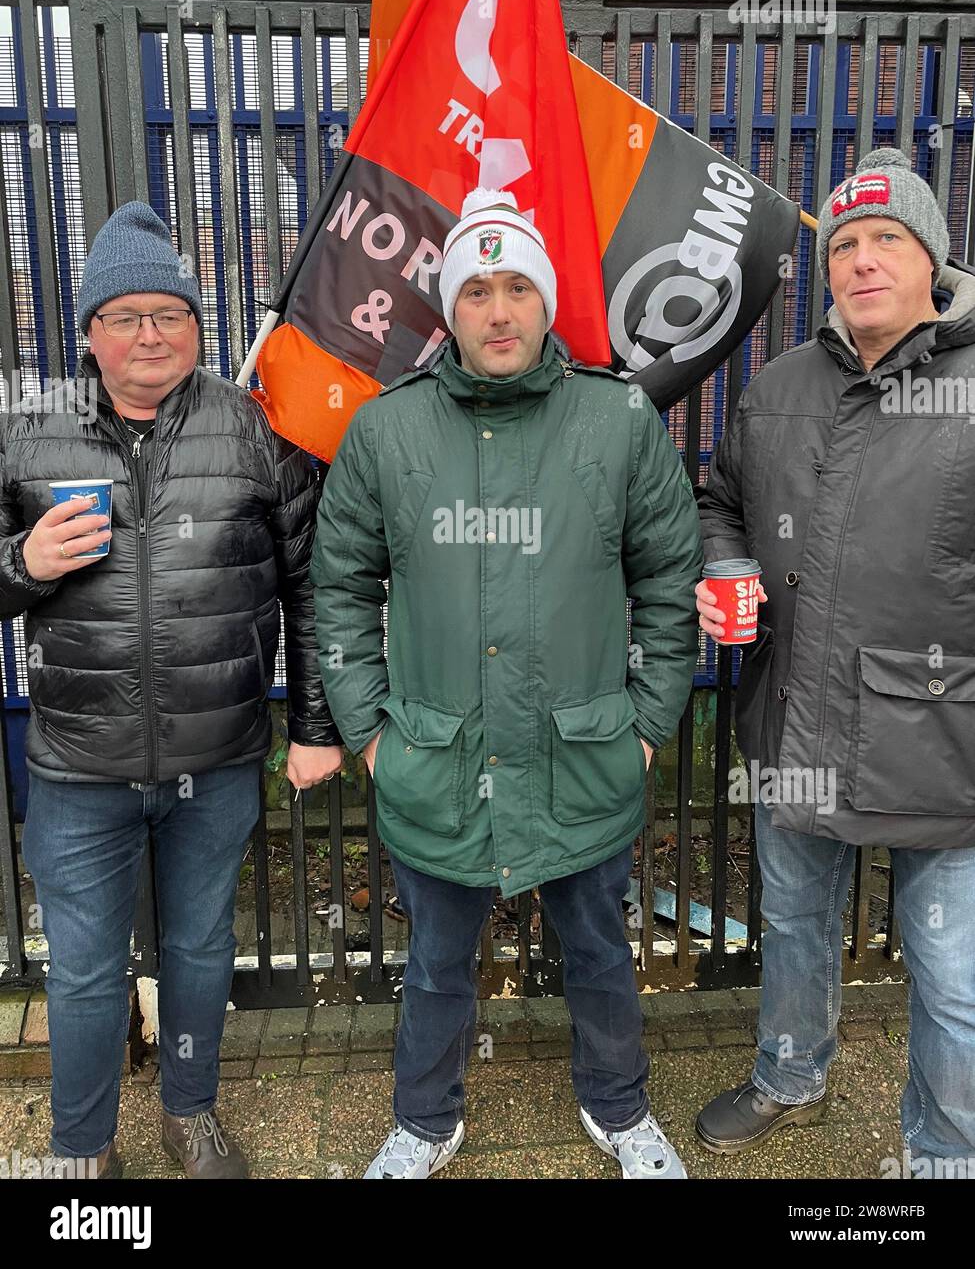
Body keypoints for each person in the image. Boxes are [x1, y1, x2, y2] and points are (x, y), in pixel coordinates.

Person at [311, 187, 703, 1179]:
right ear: (448, 307)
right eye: (476, 287)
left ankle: (618, 1108)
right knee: (437, 963)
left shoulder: (616, 420)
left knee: (601, 954)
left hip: (585, 759)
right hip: (434, 762)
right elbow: (341, 587)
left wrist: (648, 721)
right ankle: (425, 1119)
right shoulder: (386, 432)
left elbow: (667, 577)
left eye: (518, 286)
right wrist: (370, 732)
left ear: (546, 301)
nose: (498, 309)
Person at [0, 201, 343, 1179]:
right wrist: (22, 561)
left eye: (172, 314)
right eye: (126, 316)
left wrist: (312, 724)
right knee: (82, 973)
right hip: (78, 765)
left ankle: (190, 1114)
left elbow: (313, 583)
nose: (151, 334)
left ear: (198, 327)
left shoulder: (254, 433)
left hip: (217, 758)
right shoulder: (29, 432)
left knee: (197, 955)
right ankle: (81, 1150)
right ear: (90, 333)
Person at [694, 148, 975, 1177]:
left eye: (886, 241)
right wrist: (724, 566)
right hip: (795, 724)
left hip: (947, 746)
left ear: (933, 259)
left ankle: (946, 1157)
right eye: (844, 245)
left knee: (952, 977)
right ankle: (790, 1069)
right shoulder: (777, 389)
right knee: (796, 921)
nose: (860, 262)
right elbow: (718, 499)